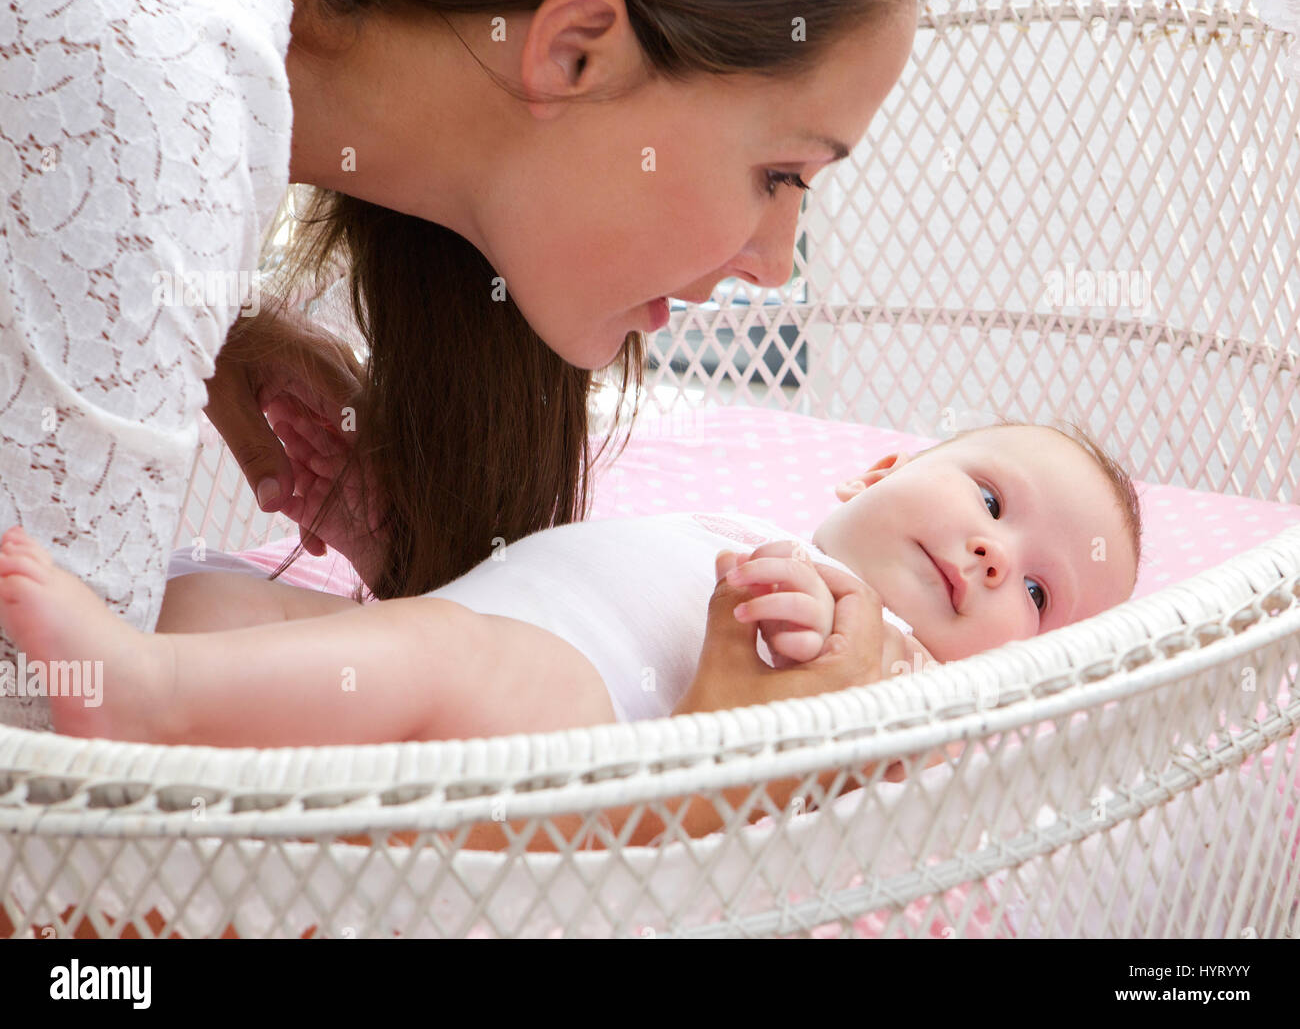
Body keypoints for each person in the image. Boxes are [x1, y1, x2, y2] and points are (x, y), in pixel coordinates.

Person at [0, 0, 943, 732]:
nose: (775, 266)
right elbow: (40, 789)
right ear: (577, 50)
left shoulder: (166, 47)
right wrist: (712, 765)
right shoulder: (140, 68)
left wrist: (215, 327)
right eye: (782, 175)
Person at [0, 423, 1141, 748]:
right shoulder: (741, 521)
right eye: (991, 501)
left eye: (1037, 596)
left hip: (565, 727)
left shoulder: (890, 657)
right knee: (223, 595)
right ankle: (127, 677)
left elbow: (835, 743)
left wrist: (839, 656)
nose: (996, 557)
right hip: (451, 629)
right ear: (879, 469)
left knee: (443, 657)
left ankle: (147, 694)